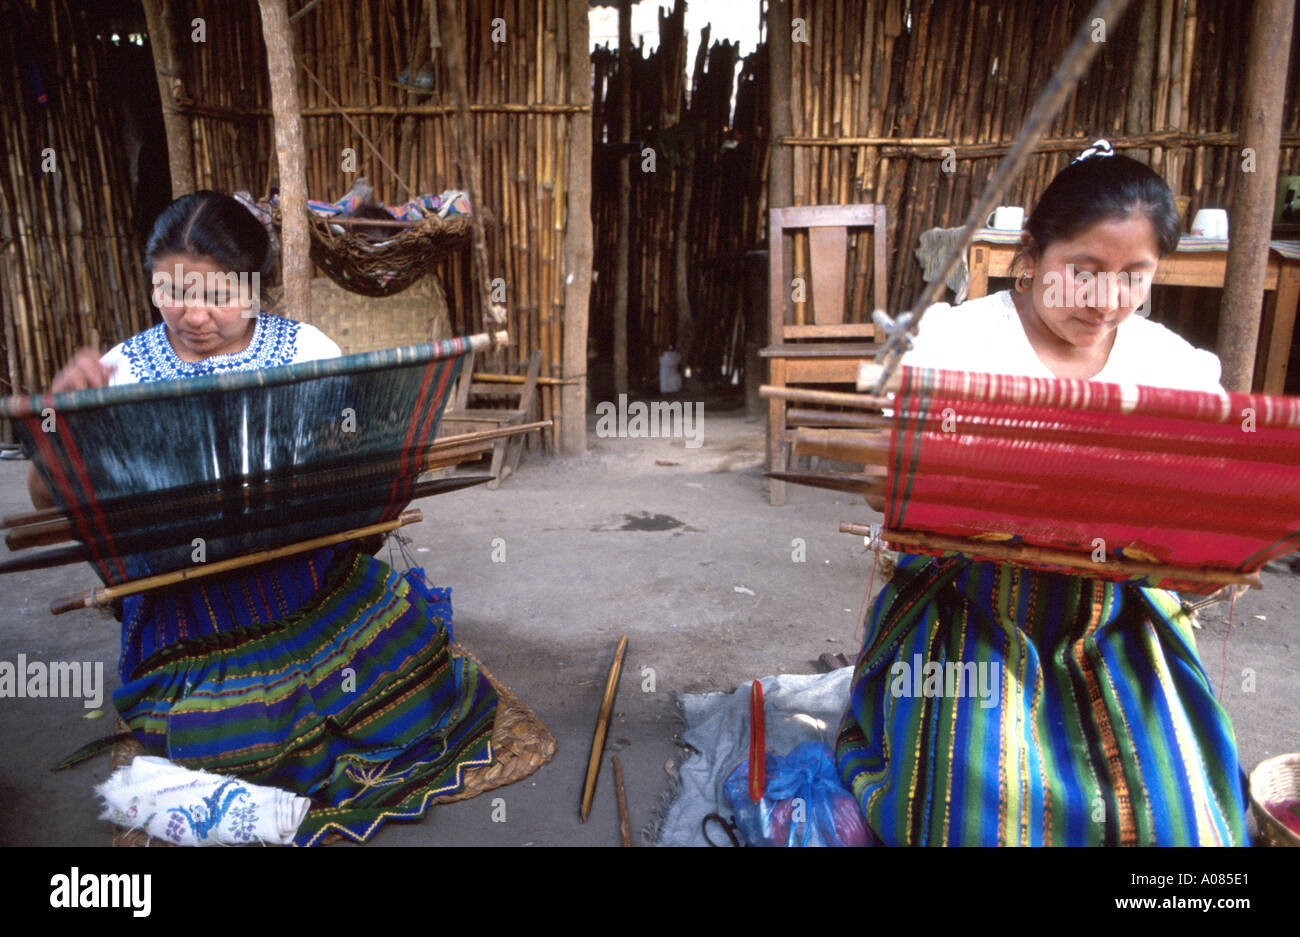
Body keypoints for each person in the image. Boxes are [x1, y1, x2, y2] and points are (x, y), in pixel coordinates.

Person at [31, 191, 498, 845]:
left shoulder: (306, 350)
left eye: (217, 293)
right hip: (192, 615)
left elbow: (353, 458)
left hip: (307, 583)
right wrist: (60, 416)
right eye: (171, 291)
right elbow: (45, 499)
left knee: (410, 680)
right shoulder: (121, 371)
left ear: (257, 283)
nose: (193, 315)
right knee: (241, 749)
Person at [836, 141, 1250, 846]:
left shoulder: (1170, 366)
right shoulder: (957, 345)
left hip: (1116, 612)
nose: (1105, 299)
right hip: (969, 600)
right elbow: (885, 487)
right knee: (971, 805)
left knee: (1171, 820)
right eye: (1082, 271)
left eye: (1134, 276)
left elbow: (1200, 516)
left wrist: (1208, 555)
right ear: (1030, 256)